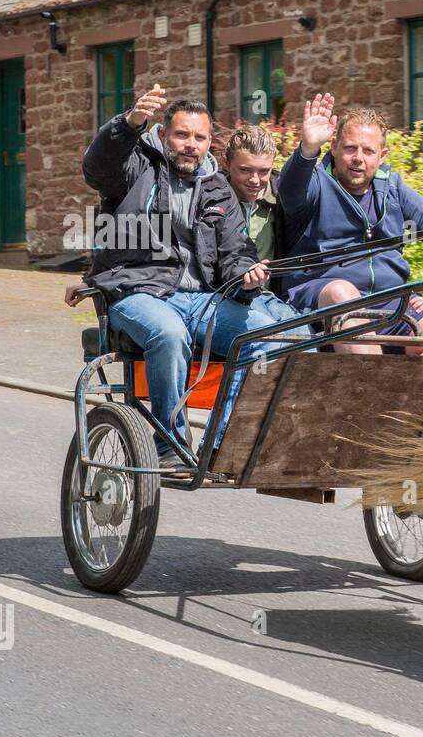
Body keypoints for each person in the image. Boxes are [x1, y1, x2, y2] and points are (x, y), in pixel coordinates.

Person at [64, 83, 280, 468]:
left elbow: (235, 249)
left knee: (265, 337)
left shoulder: (218, 188)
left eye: (199, 137)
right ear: (163, 135)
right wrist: (128, 124)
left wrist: (247, 274)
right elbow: (97, 169)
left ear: (210, 142)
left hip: (201, 300)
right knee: (169, 333)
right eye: (182, 135)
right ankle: (170, 440)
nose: (190, 144)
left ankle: (220, 445)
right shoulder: (136, 168)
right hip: (137, 292)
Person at [277, 95, 423, 354]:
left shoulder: (393, 189)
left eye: (368, 151)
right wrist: (307, 149)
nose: (358, 158)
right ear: (335, 147)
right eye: (350, 148)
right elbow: (289, 192)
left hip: (391, 303)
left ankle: (421, 395)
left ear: (381, 156)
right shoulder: (315, 183)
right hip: (320, 299)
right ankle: (370, 390)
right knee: (342, 292)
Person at [222, 125, 307, 329]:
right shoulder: (212, 199)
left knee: (303, 336)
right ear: (227, 164)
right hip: (225, 298)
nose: (254, 180)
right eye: (245, 170)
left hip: (273, 299)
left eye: (263, 171)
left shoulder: (284, 201)